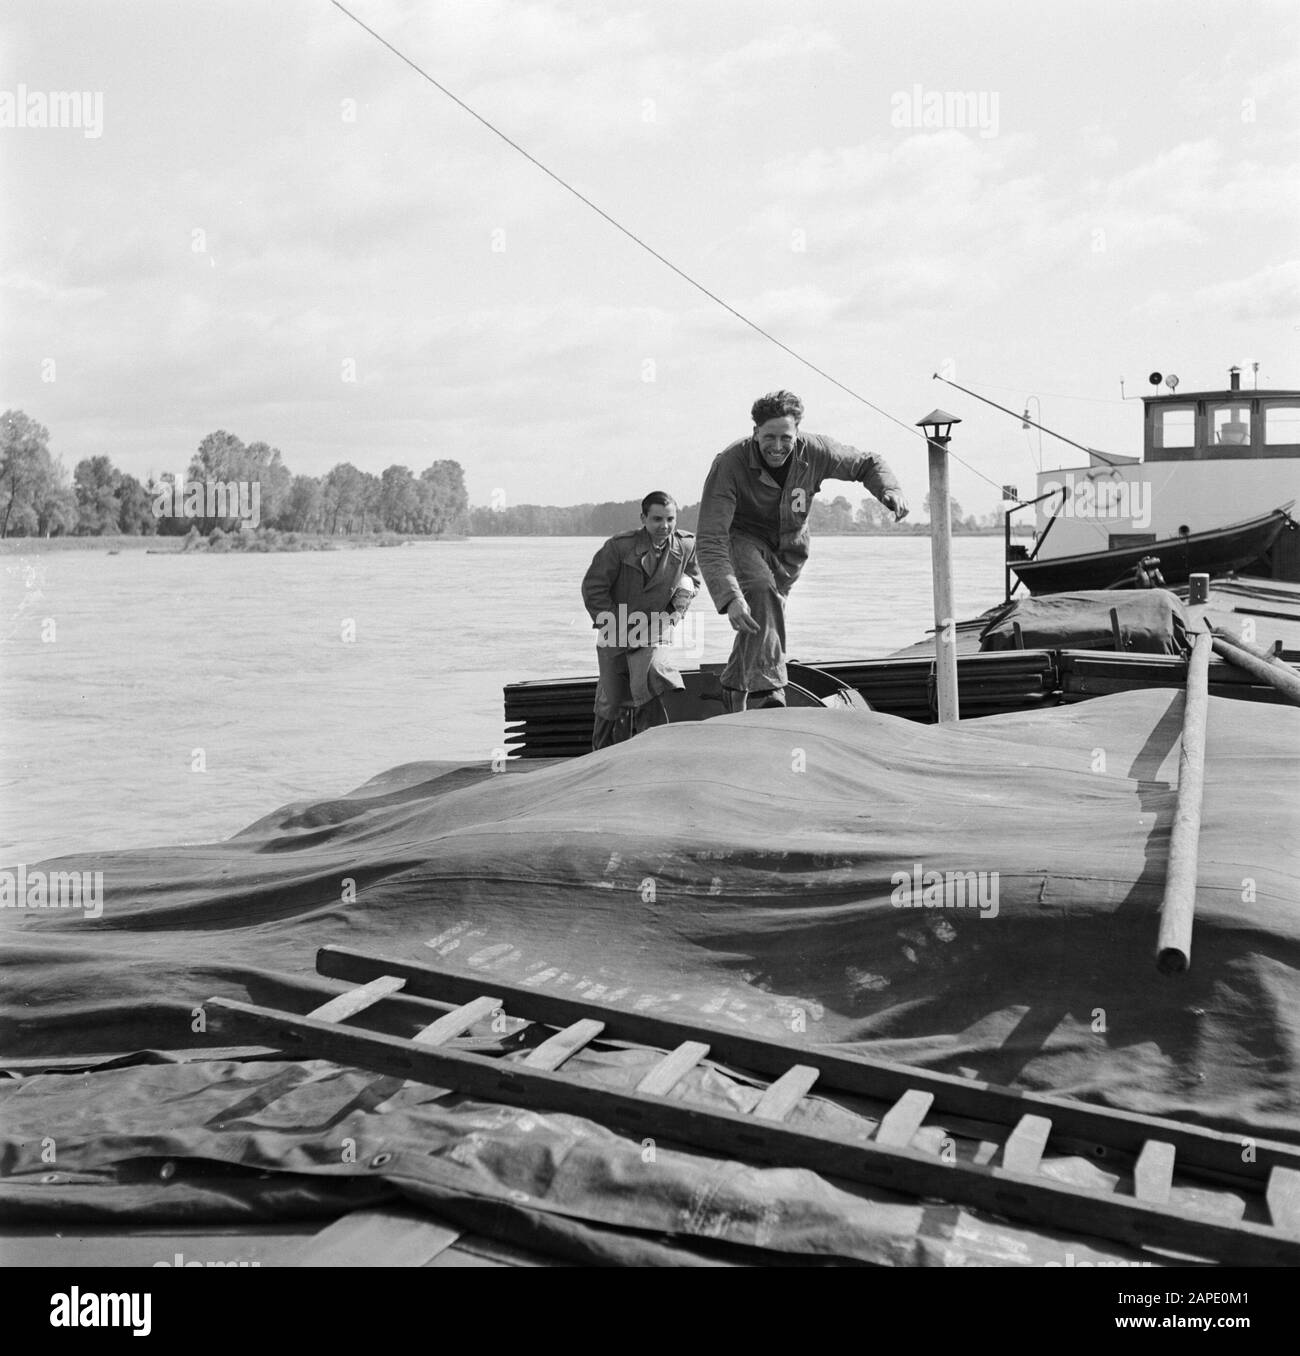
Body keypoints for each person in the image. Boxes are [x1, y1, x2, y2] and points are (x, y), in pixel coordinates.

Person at [697, 389, 908, 711]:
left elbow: (867, 463)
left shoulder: (817, 451)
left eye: (786, 437)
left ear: (797, 432)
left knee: (763, 616)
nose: (777, 447)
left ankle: (732, 685)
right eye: (769, 437)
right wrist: (728, 597)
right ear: (755, 433)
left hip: (790, 551)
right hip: (743, 539)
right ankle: (769, 693)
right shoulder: (730, 463)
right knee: (758, 590)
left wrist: (888, 489)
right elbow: (711, 537)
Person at [581, 492, 702, 750]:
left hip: (655, 630)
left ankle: (653, 752)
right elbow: (593, 588)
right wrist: (615, 626)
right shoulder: (619, 547)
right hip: (615, 630)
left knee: (651, 680)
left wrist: (676, 610)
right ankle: (602, 756)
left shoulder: (687, 546)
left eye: (670, 519)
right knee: (612, 700)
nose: (665, 526)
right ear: (643, 518)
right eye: (657, 519)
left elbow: (693, 580)